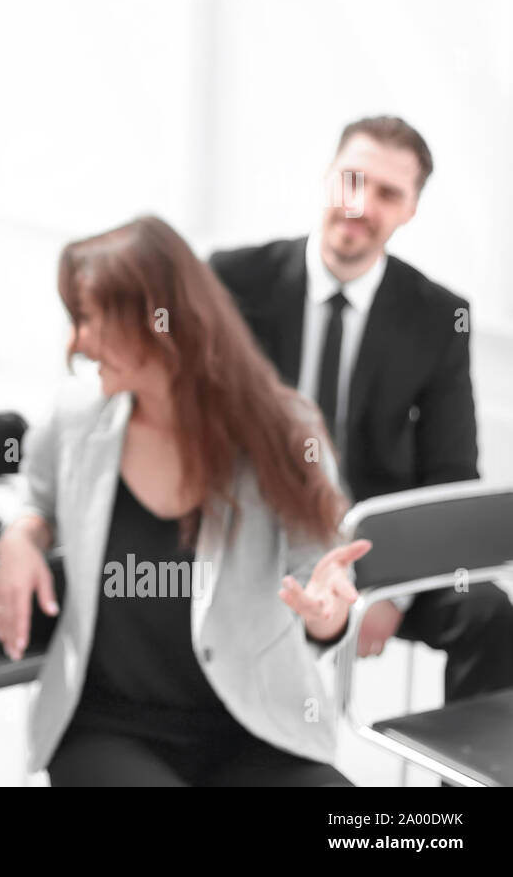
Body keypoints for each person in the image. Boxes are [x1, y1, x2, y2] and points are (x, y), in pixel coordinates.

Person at [0, 216, 368, 787]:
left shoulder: (285, 428)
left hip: (255, 725)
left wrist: (327, 610)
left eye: (89, 319)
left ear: (156, 322)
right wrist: (20, 536)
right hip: (109, 728)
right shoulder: (75, 415)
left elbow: (320, 572)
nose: (76, 343)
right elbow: (36, 497)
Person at [209, 115, 513, 701]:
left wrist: (392, 592)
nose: (360, 205)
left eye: (387, 193)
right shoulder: (234, 279)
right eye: (352, 180)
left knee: (490, 614)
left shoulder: (439, 316)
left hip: (372, 551)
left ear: (411, 210)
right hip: (252, 530)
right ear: (327, 179)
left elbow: (451, 474)